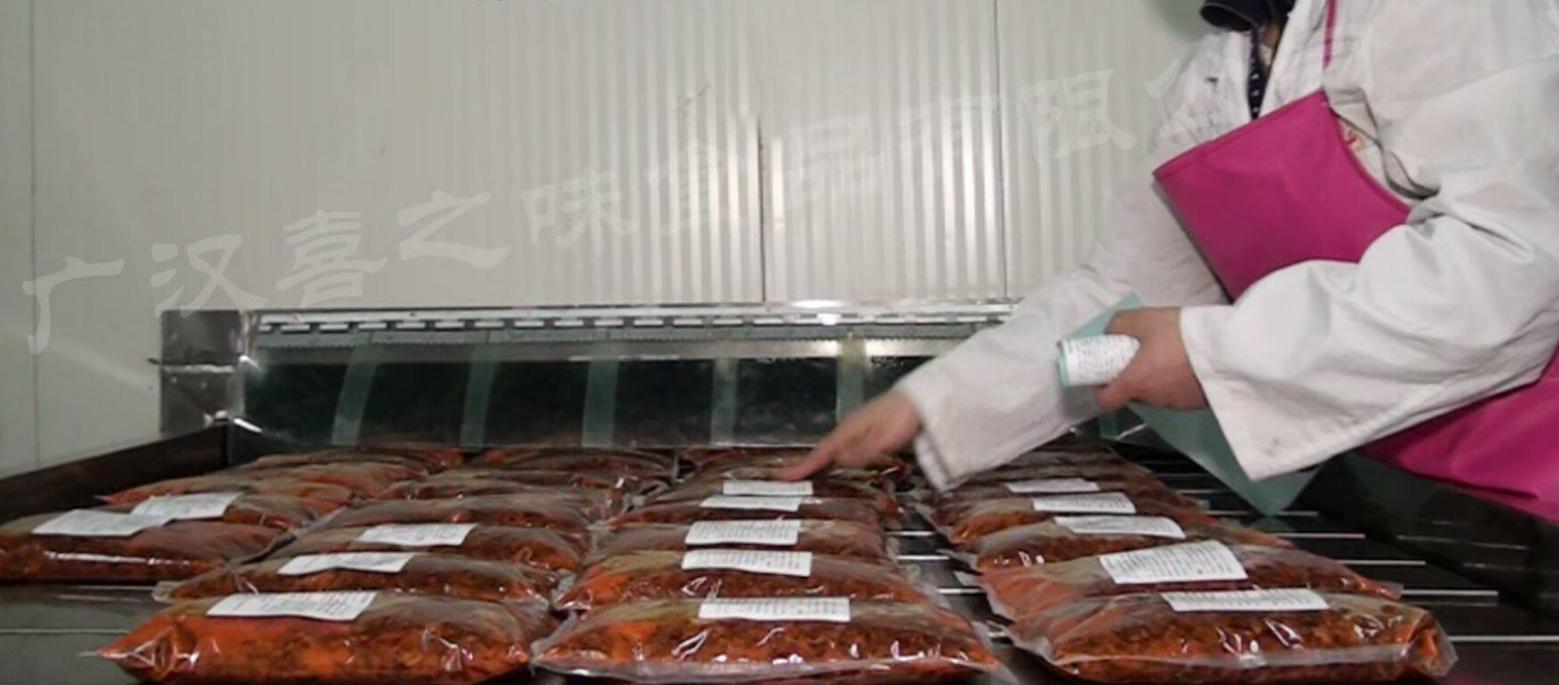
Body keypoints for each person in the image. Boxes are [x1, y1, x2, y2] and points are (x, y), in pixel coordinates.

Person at [784, 0, 1559, 504]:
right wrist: (934, 403)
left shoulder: (1444, 13)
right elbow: (1121, 296)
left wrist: (1212, 352)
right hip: (1405, 490)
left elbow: (1510, 268)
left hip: (1532, 478)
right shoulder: (1213, 72)